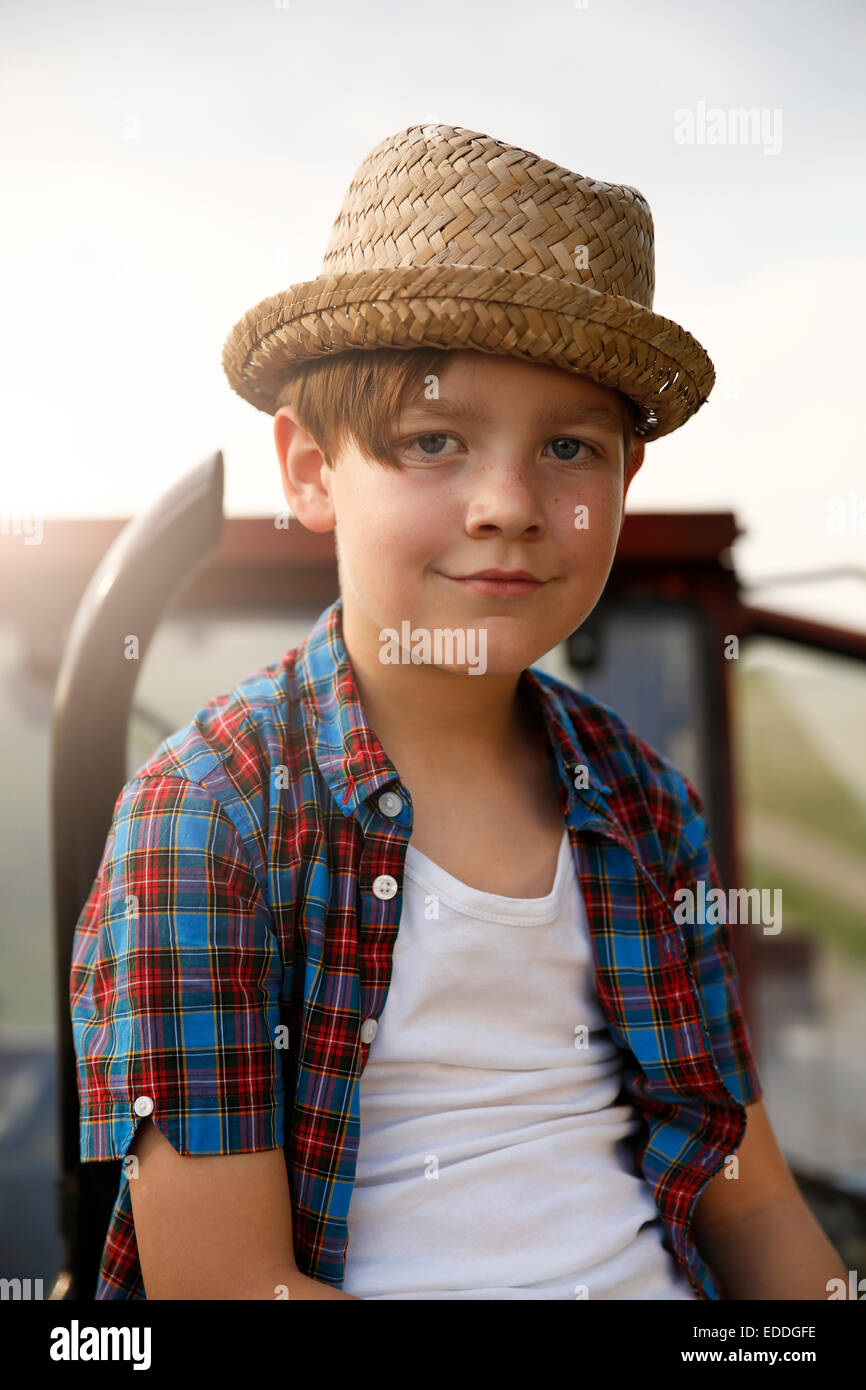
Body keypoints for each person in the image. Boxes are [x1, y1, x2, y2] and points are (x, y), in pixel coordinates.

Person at [70, 122, 846, 1300]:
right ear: (310, 472)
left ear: (624, 486)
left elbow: (748, 1190)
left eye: (569, 448)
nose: (507, 504)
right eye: (434, 440)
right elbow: (228, 1288)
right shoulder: (208, 818)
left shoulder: (644, 801)